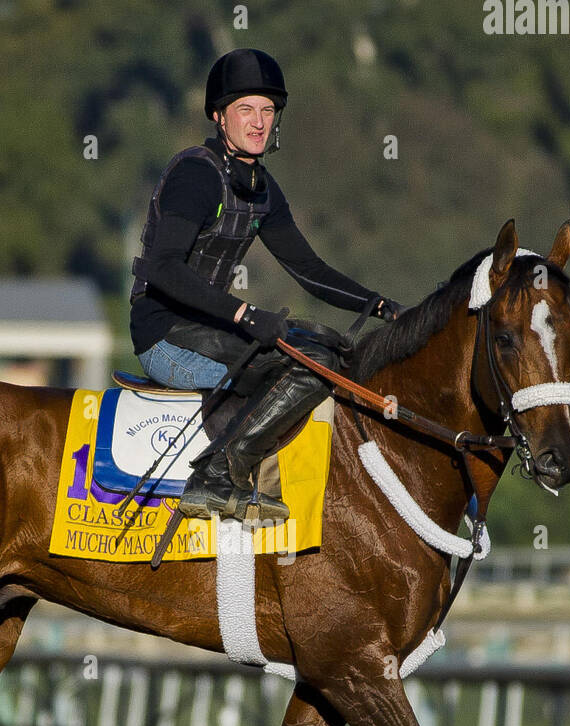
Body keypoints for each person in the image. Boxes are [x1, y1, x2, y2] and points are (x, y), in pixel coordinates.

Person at [130, 48, 402, 522]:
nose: (258, 122)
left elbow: (308, 269)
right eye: (245, 109)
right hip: (163, 337)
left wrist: (378, 305)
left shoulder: (263, 189)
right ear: (219, 116)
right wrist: (244, 314)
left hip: (208, 330)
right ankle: (216, 475)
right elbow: (164, 269)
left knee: (325, 349)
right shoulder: (196, 175)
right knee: (313, 366)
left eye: (268, 110)